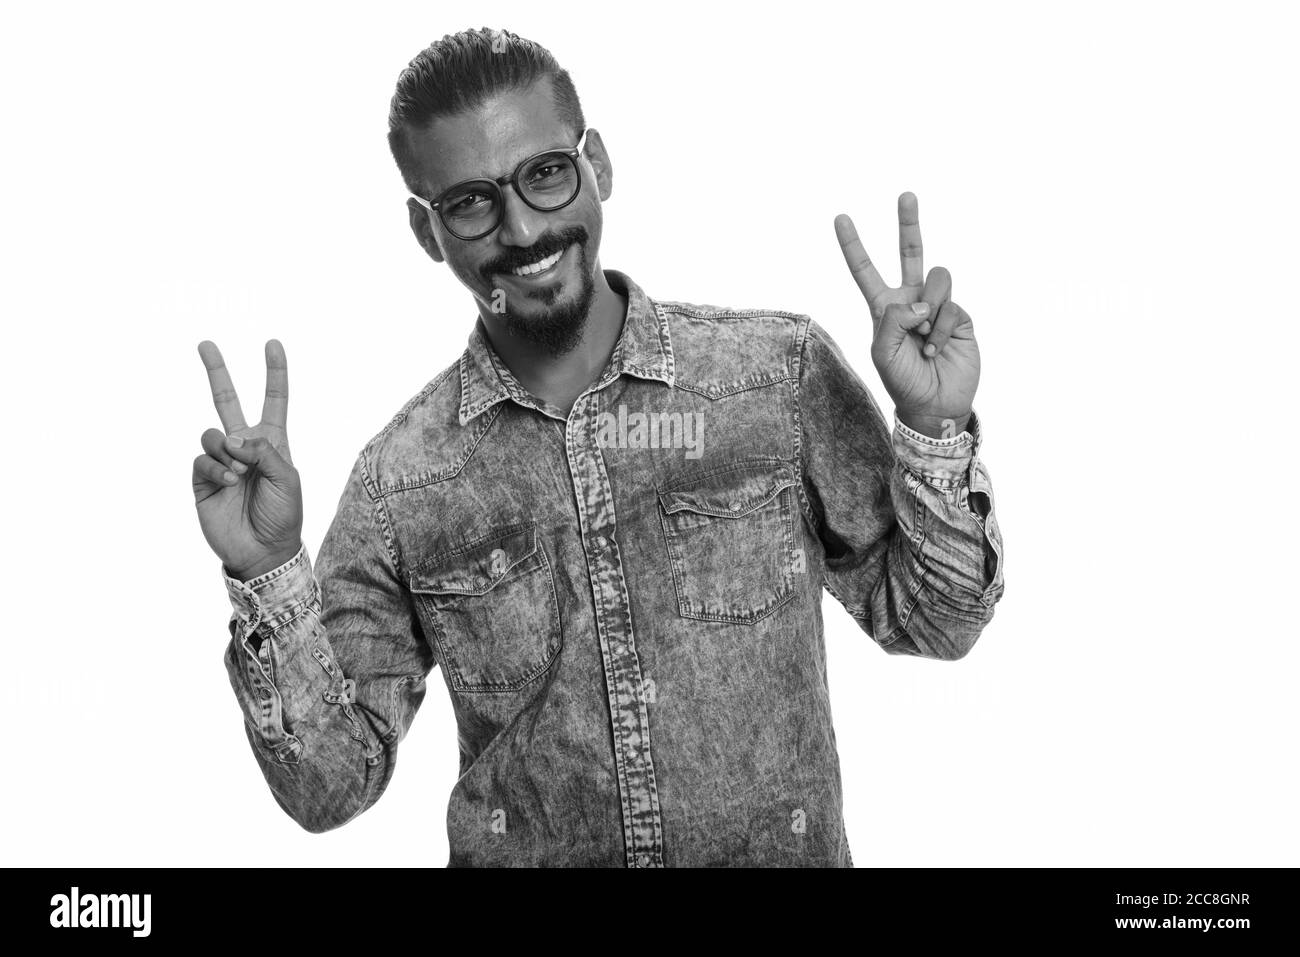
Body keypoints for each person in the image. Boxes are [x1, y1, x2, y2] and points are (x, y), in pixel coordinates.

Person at [191, 26, 1005, 867]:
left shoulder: (776, 376)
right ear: (427, 231)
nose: (522, 228)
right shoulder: (401, 482)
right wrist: (267, 577)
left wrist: (934, 428)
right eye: (471, 200)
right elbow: (330, 787)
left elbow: (937, 621)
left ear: (597, 166)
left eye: (546, 173)